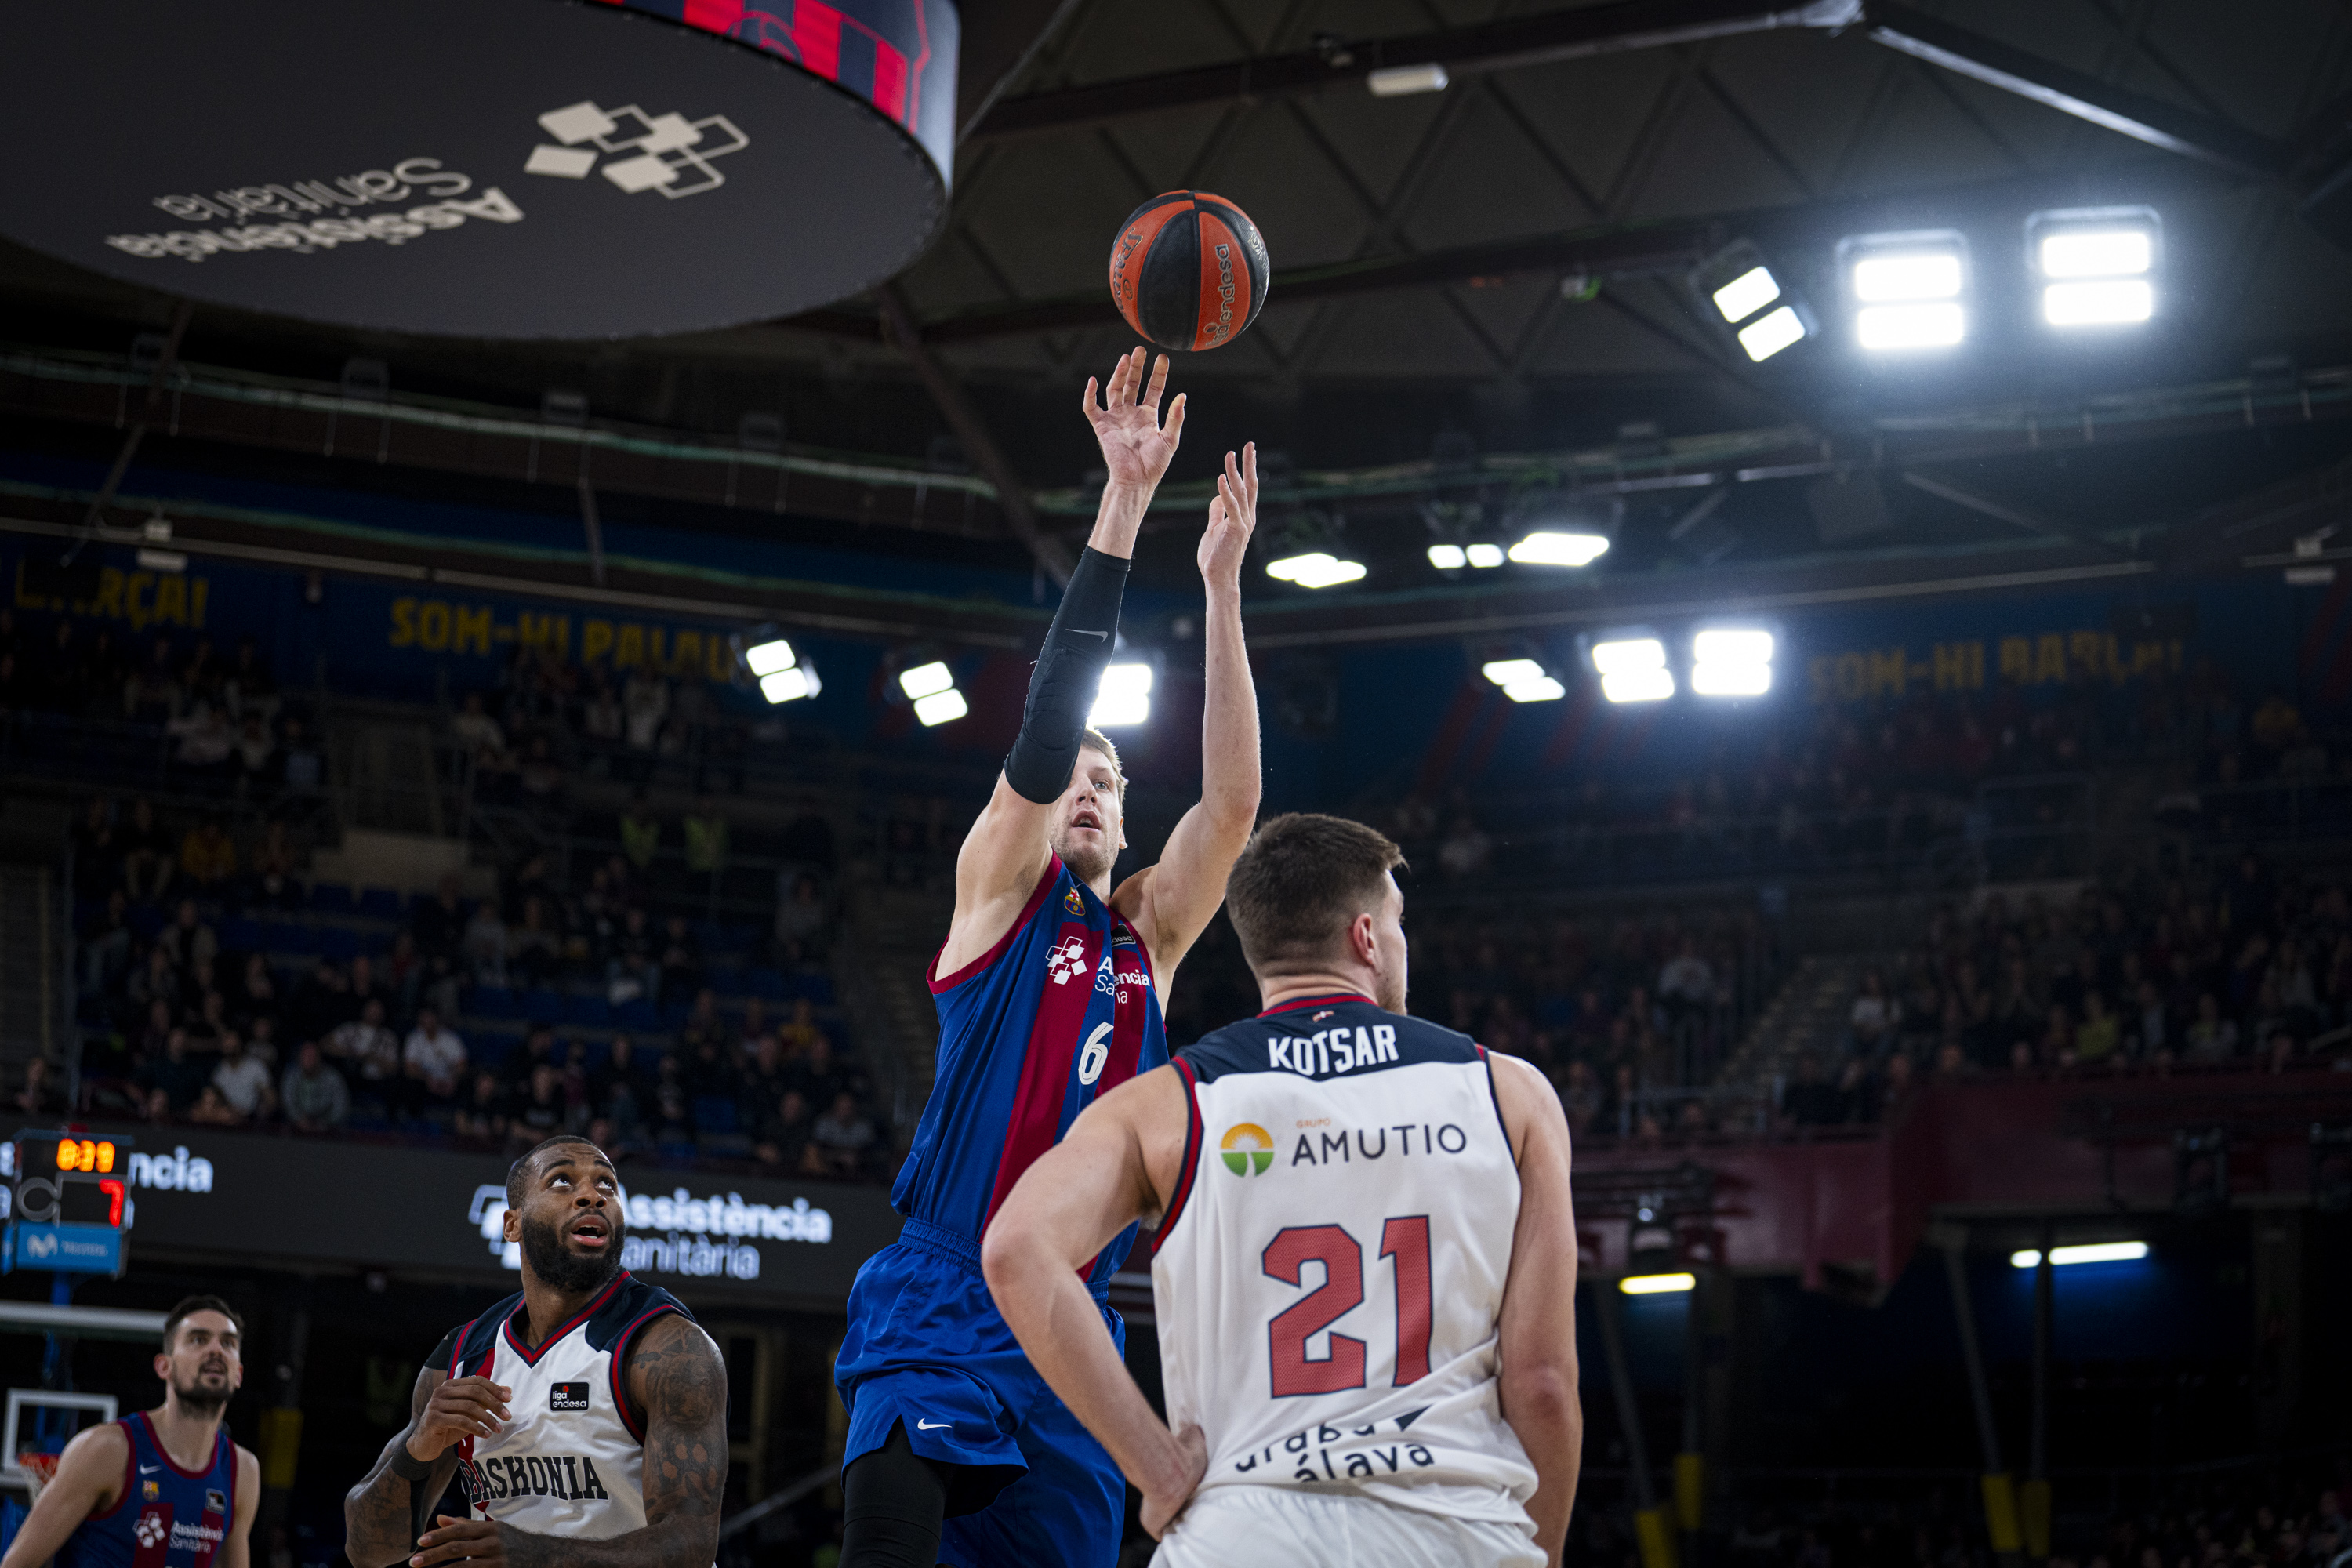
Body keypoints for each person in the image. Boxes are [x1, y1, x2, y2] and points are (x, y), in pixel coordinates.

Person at [833, 349, 1262, 1568]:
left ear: (1126, 821)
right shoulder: (998, 893)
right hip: (944, 1290)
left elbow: (1233, 807)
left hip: (1072, 1334)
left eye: (1108, 781)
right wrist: (1124, 504)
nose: (1084, 786)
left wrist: (1222, 590)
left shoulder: (1148, 939)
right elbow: (1045, 725)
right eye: (1071, 773)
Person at [983, 815, 1581, 1566]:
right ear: (1366, 938)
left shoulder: (1165, 1104)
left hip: (1243, 1532)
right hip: (1454, 1531)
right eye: (1397, 922)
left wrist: (1156, 1468)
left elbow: (1015, 1251)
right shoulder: (1510, 1095)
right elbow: (1543, 1384)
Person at [343, 1137, 725, 1568]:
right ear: (513, 1225)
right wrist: (419, 1448)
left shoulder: (668, 1348)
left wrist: (539, 1556)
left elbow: (691, 1546)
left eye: (607, 1184)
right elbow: (367, 1550)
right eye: (562, 1181)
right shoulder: (464, 1356)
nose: (593, 1195)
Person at [0, 1297, 260, 1568]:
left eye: (228, 1343)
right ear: (164, 1366)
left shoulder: (242, 1471)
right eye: (198, 1340)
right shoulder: (107, 1449)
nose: (216, 1350)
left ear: (239, 1374)